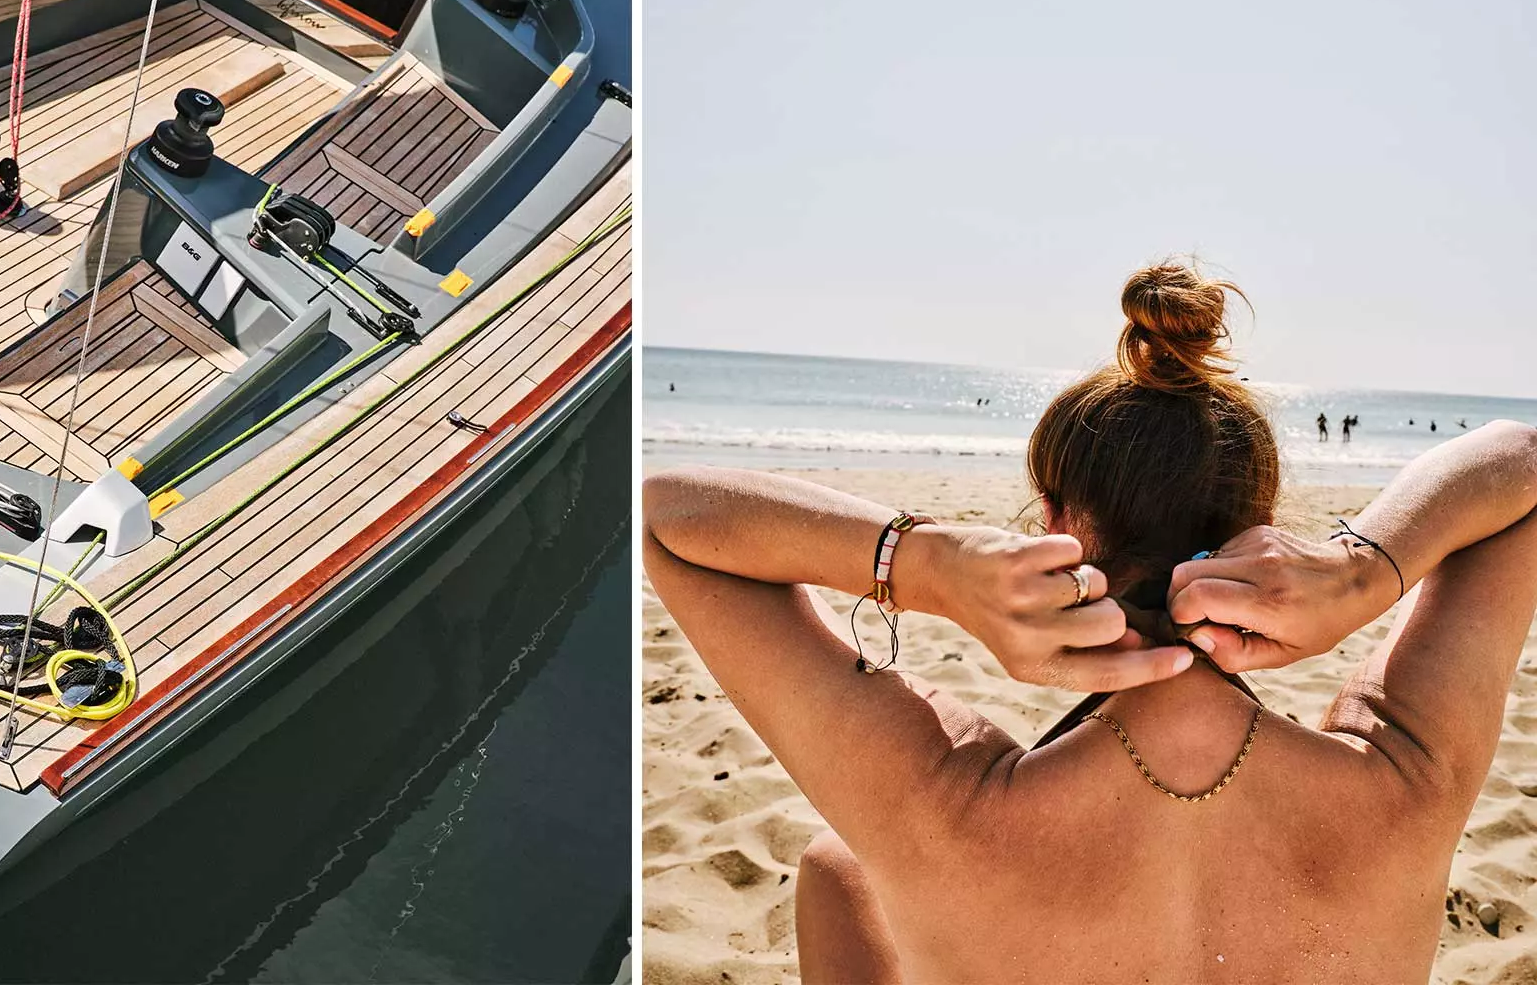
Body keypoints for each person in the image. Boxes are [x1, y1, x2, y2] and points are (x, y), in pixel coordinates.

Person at [644, 260, 1537, 984]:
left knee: (841, 866)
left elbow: (670, 521)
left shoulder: (944, 806)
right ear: (1263, 527)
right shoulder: (1406, 777)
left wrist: (928, 567)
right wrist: (1363, 570)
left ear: (1057, 522)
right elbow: (1520, 465)